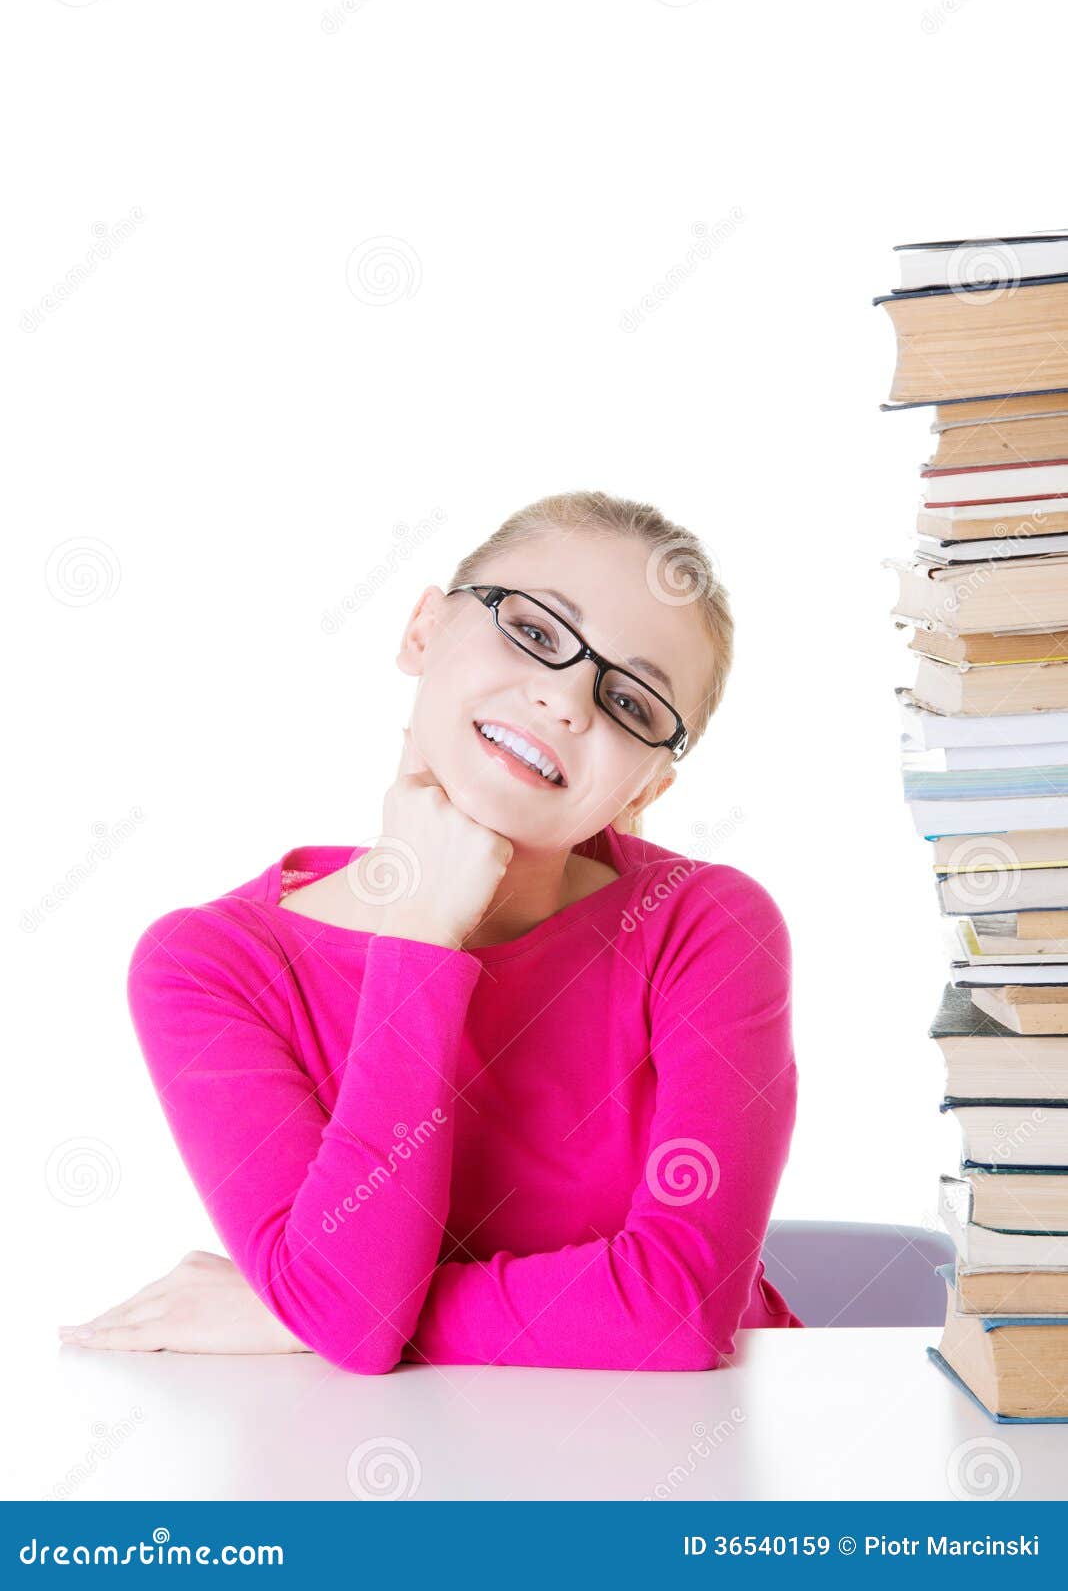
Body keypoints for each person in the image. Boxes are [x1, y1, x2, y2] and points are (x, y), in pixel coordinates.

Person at [58, 489, 801, 1370]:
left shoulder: (705, 927)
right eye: (534, 630)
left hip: (707, 1463)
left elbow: (675, 1312)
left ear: (646, 789)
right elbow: (346, 1318)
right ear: (423, 629)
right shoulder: (209, 966)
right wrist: (419, 935)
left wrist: (306, 1313)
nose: (566, 702)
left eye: (631, 703)